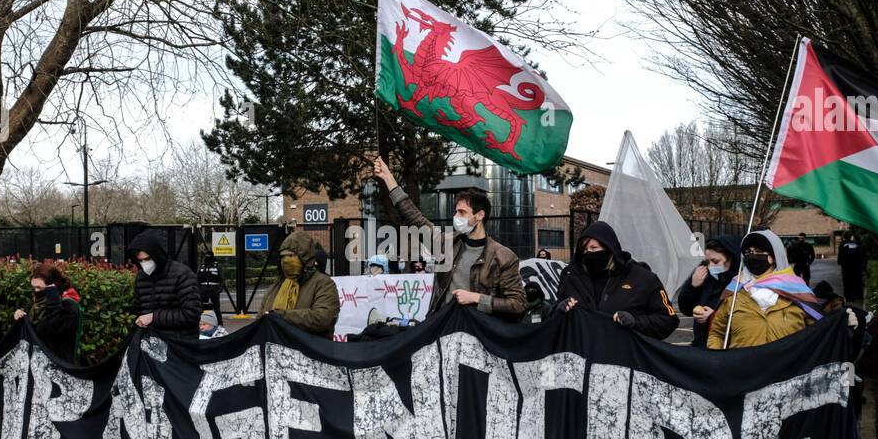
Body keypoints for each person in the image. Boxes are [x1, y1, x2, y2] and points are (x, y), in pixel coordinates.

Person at [373, 156, 525, 321]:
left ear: (480, 215)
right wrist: (388, 178)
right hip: (443, 327)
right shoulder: (446, 243)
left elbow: (518, 305)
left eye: (462, 212)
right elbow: (414, 217)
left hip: (478, 331)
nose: (455, 217)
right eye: (455, 211)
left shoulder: (504, 257)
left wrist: (476, 298)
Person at [554, 221, 678, 338]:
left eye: (594, 248)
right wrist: (558, 311)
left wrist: (636, 322)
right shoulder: (570, 277)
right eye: (585, 250)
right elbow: (551, 320)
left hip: (626, 355)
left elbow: (668, 319)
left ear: (610, 248)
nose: (589, 253)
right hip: (580, 355)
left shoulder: (643, 278)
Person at [708, 229, 824, 349]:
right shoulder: (733, 291)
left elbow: (819, 333)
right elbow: (717, 333)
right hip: (743, 366)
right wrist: (716, 358)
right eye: (747, 252)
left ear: (774, 257)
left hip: (788, 366)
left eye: (758, 251)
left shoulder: (799, 292)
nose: (752, 256)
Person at [257, 230, 340, 336]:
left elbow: (322, 318)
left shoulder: (324, 283)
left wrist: (281, 316)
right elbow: (259, 321)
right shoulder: (275, 287)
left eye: (291, 256)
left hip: (310, 349)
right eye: (283, 256)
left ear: (305, 258)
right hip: (276, 349)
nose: (286, 260)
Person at [127, 230, 201, 334]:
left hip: (180, 342)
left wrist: (154, 317)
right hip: (152, 340)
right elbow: (138, 309)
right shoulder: (141, 277)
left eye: (147, 259)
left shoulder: (182, 274)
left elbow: (192, 314)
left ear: (157, 255)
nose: (144, 264)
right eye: (140, 260)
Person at [675, 235, 741, 348]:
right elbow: (685, 309)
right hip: (701, 344)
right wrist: (692, 286)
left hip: (726, 347)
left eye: (715, 261)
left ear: (731, 259)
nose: (710, 266)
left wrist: (715, 315)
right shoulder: (706, 277)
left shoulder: (740, 283)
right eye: (708, 261)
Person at [15, 263, 81, 363]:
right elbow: (28, 328)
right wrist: (19, 316)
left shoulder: (69, 305)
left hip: (58, 364)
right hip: (36, 361)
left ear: (52, 286)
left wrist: (53, 300)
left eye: (39, 288)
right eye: (33, 287)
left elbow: (53, 329)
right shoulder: (37, 300)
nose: (36, 291)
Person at [838, 232, 868, 302]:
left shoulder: (843, 244)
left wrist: (840, 262)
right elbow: (863, 255)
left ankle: (849, 297)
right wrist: (863, 266)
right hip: (857, 267)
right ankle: (859, 296)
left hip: (846, 267)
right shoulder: (858, 244)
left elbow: (840, 257)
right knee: (857, 281)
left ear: (845, 237)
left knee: (847, 282)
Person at [198, 254, 223, 327]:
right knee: (200, 307)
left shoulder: (217, 266)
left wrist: (219, 290)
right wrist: (199, 289)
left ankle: (220, 324)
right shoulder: (201, 266)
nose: (207, 258)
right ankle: (197, 322)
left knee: (216, 308)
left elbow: (222, 279)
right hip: (203, 290)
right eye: (206, 257)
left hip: (214, 290)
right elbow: (197, 278)